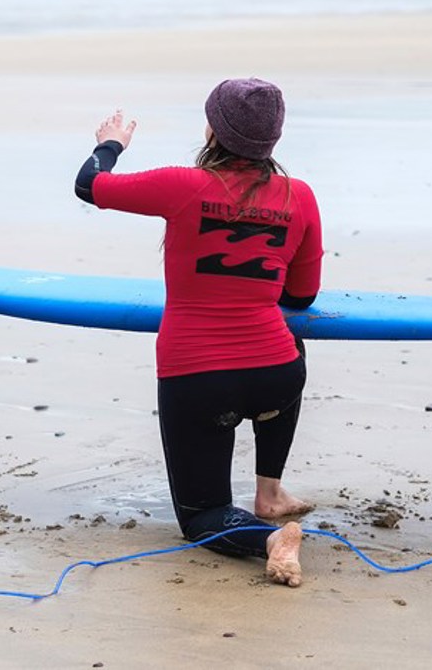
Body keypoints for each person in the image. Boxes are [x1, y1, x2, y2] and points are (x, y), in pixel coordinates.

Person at [73, 78, 322, 587]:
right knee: (287, 343)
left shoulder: (181, 185)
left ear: (212, 129)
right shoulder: (302, 197)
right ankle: (270, 490)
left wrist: (111, 143)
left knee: (203, 515)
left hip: (198, 378)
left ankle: (269, 538)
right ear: (273, 139)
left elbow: (88, 184)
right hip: (276, 377)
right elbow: (302, 296)